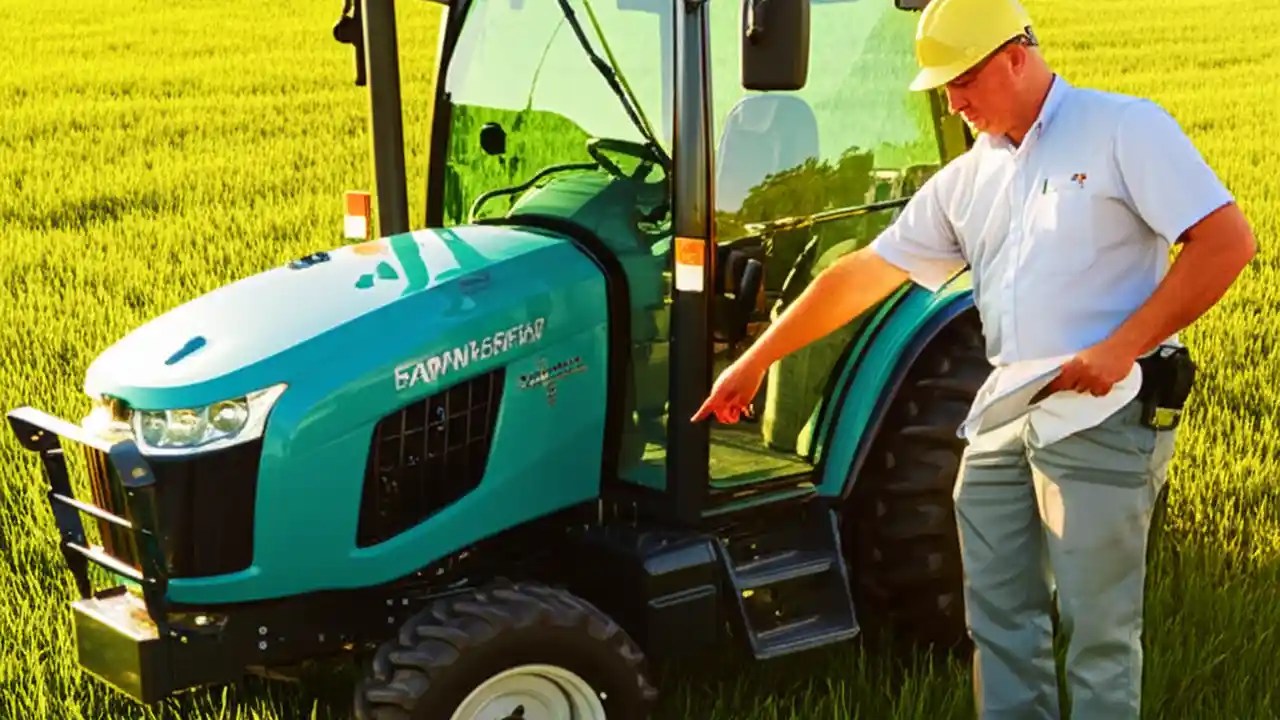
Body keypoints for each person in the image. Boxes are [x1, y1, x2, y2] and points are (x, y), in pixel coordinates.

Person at [692, 0, 1258, 717]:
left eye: (962, 82)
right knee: (995, 620)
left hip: (1102, 416)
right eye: (943, 88)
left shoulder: (1123, 129)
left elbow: (1226, 241)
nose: (953, 102)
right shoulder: (973, 175)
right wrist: (754, 361)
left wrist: (1122, 347)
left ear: (1016, 55)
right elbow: (863, 273)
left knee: (1099, 634)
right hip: (1003, 416)